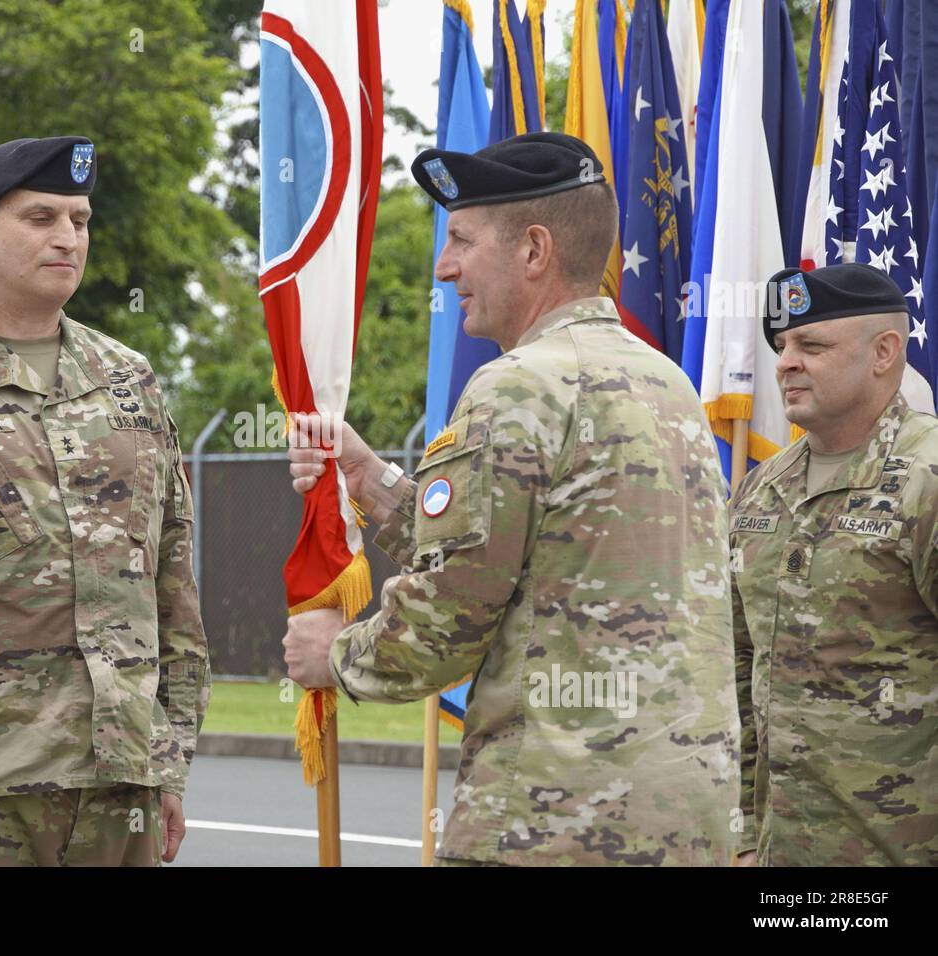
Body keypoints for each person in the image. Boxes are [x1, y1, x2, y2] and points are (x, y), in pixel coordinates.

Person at [282, 132, 740, 866]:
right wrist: (371, 480)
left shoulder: (522, 384)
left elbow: (449, 616)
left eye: (461, 240)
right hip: (684, 816)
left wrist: (334, 653)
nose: (444, 267)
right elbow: (535, 558)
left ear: (533, 250)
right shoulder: (667, 383)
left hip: (555, 820)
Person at [0, 136, 208, 866]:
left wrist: (169, 756)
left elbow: (171, 576)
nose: (66, 238)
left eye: (79, 220)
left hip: (122, 776)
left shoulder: (127, 376)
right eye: (40, 217)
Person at [731, 263, 938, 866]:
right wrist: (744, 836)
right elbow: (736, 670)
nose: (785, 362)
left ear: (883, 352)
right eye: (781, 345)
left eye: (811, 345)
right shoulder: (758, 491)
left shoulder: (925, 479)